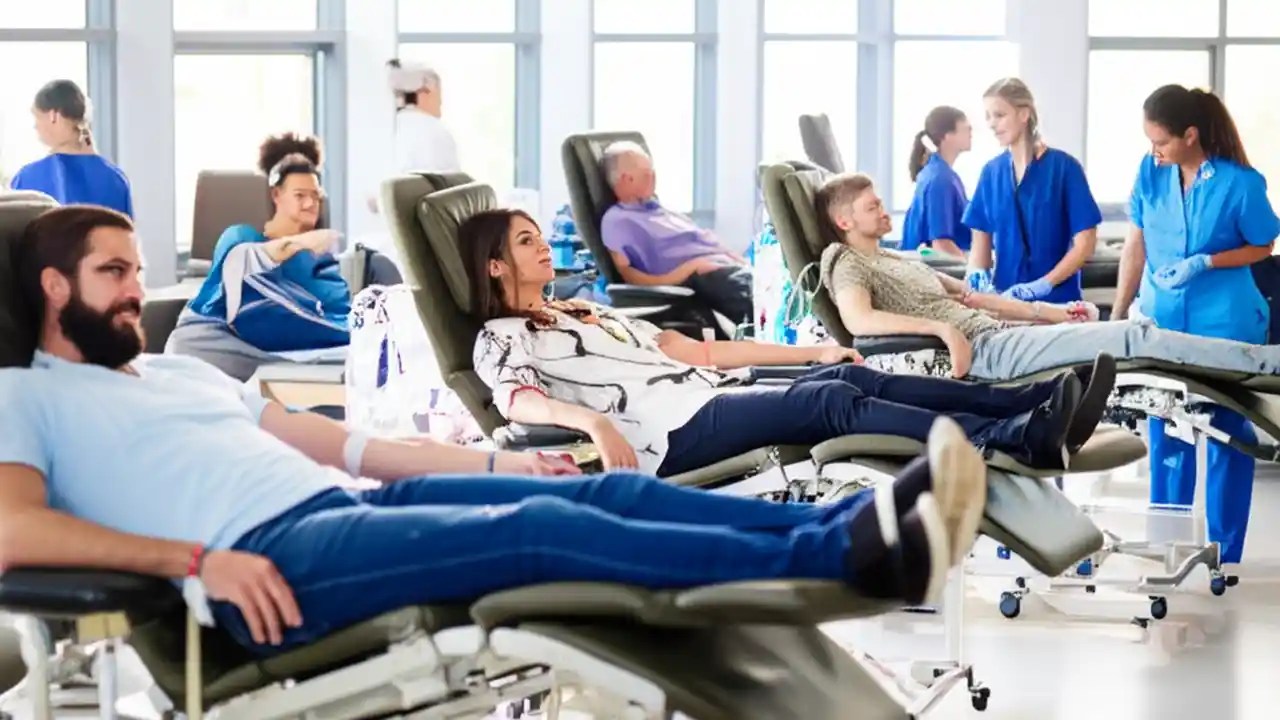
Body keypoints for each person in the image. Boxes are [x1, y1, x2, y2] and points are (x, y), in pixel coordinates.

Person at [0, 205, 996, 655]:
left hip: (342, 505)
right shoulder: (26, 398)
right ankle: (847, 560)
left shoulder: (179, 372)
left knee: (596, 491)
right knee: (534, 535)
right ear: (52, 287)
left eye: (137, 271)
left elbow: (353, 448)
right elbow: (13, 531)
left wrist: (496, 459)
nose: (137, 290)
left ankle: (858, 528)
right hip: (270, 565)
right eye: (113, 274)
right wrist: (191, 561)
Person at [465, 208, 1114, 479]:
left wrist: (814, 352)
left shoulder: (585, 310)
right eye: (525, 241)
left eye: (538, 235)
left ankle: (1031, 404)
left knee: (850, 377)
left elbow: (702, 353)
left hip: (706, 397)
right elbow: (517, 402)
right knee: (829, 404)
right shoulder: (499, 336)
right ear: (495, 266)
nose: (542, 245)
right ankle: (1007, 438)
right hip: (667, 436)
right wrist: (595, 424)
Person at [815, 171, 1280, 394]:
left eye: (880, 202)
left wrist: (1052, 313)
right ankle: (1266, 363)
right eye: (872, 207)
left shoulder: (896, 259)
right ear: (843, 221)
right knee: (1134, 337)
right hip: (986, 353)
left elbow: (975, 297)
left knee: (1136, 336)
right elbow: (859, 322)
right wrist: (942, 329)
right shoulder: (844, 261)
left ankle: (1258, 363)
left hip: (999, 335)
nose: (884, 211)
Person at [1113, 85, 1280, 566]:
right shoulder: (1150, 172)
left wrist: (1206, 261)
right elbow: (1135, 245)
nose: (1154, 151)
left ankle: (1225, 556)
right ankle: (1168, 548)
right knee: (1167, 430)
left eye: (1161, 141)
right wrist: (1119, 315)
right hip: (1163, 322)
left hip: (1225, 325)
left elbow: (1264, 245)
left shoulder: (1240, 183)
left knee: (1226, 434)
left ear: (1190, 135)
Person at [166, 133, 350, 382]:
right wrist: (296, 244)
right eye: (300, 195)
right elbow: (242, 263)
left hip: (288, 356)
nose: (310, 203)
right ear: (276, 195)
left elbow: (338, 320)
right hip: (218, 345)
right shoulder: (241, 237)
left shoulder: (322, 265)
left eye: (315, 195)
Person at [962, 78, 1101, 303]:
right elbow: (980, 244)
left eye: (999, 115)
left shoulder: (1064, 168)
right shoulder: (991, 173)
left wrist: (1044, 285)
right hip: (1006, 302)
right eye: (988, 117)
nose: (991, 124)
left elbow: (1085, 244)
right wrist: (976, 278)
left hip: (1058, 304)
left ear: (1024, 114)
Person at [599, 141, 754, 325]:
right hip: (704, 278)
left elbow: (703, 241)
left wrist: (735, 258)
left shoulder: (659, 210)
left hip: (731, 268)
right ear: (626, 179)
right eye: (647, 174)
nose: (654, 178)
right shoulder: (617, 220)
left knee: (774, 285)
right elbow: (630, 276)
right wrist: (691, 268)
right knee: (764, 301)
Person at [8, 79, 132, 217]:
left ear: (53, 116)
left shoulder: (27, 178)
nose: (35, 126)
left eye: (36, 117)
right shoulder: (116, 179)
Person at [901, 106, 973, 258]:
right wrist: (975, 267)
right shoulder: (941, 180)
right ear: (946, 136)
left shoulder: (937, 173)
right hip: (939, 269)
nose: (971, 133)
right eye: (966, 129)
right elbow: (941, 245)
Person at [388, 59, 460, 175]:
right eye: (439, 94)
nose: (440, 102)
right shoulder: (436, 132)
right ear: (427, 91)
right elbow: (453, 183)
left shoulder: (388, 128)